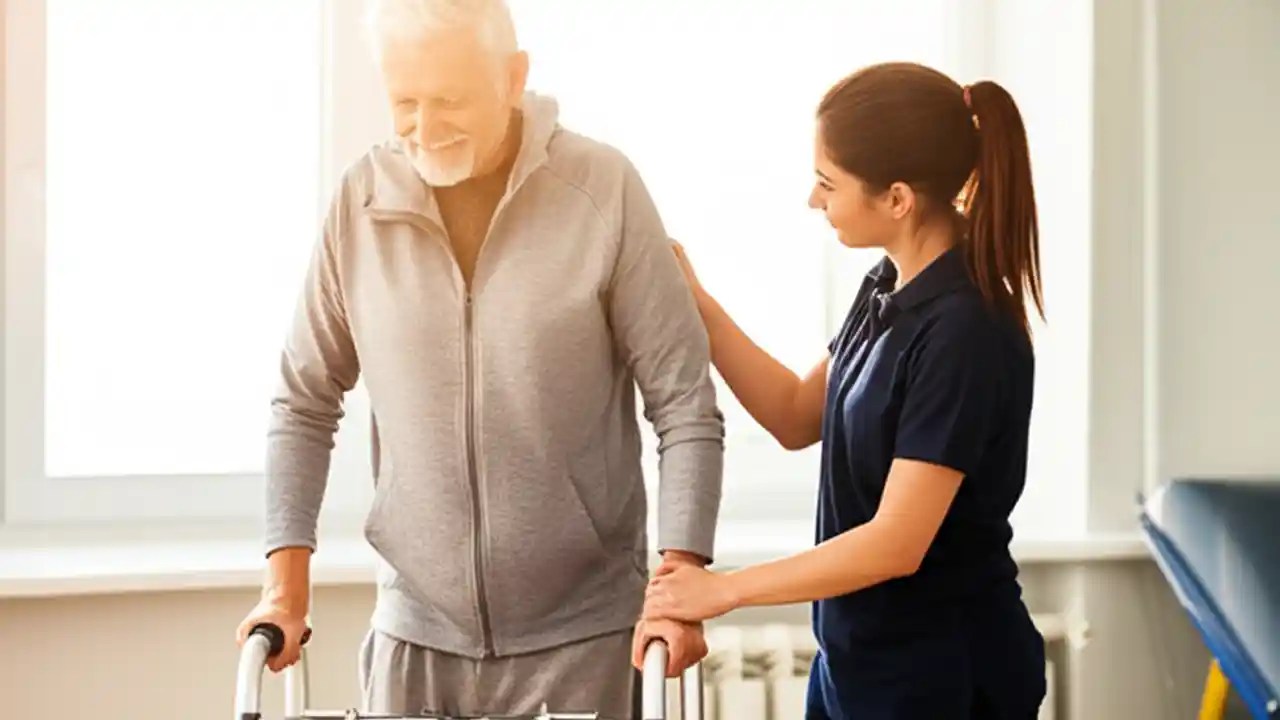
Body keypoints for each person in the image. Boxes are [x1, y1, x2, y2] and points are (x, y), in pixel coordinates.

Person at [234, 0, 725, 716]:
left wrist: (681, 579)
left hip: (584, 638)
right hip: (414, 641)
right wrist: (286, 588)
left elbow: (684, 404)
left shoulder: (602, 190)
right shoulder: (359, 205)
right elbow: (303, 401)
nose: (424, 130)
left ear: (512, 77)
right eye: (404, 102)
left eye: (448, 100)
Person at [643, 62, 1048, 719]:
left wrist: (724, 591)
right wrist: (699, 307)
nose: (814, 200)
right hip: (856, 666)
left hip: (943, 678)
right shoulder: (887, 287)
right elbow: (796, 415)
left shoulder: (964, 331)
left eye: (827, 184)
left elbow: (896, 542)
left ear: (897, 198)